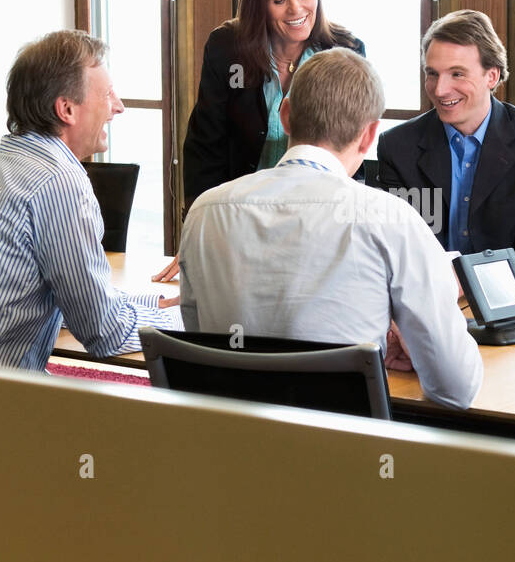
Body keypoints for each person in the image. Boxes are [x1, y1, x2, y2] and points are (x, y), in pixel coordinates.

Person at [177, 48, 482, 411]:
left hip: (230, 452)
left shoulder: (205, 211)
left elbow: (198, 346)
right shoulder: (392, 220)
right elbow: (455, 389)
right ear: (369, 136)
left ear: (285, 116)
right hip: (349, 456)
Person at [0, 30, 179, 369]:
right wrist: (191, 320)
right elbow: (104, 332)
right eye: (108, 94)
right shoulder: (59, 181)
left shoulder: (5, 157)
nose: (119, 107)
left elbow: (71, 300)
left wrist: (158, 303)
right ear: (66, 109)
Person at [375, 9, 515, 290]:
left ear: (491, 76)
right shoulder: (398, 146)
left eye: (457, 74)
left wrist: (468, 283)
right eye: (432, 74)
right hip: (428, 302)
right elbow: (399, 249)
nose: (440, 89)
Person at [180, 0, 365, 212]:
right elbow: (206, 143)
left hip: (319, 211)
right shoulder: (227, 48)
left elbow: (353, 143)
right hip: (240, 210)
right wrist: (201, 218)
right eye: (279, 0)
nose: (295, 9)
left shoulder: (346, 50)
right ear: (259, 6)